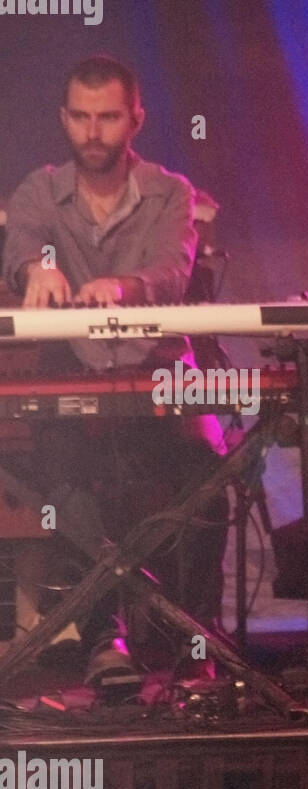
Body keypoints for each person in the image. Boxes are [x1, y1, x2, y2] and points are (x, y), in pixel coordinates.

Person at [1, 55, 227, 687]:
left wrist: (123, 287)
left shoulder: (171, 192)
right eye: (80, 117)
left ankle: (198, 643)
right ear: (63, 119)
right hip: (71, 382)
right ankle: (108, 640)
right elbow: (23, 243)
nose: (92, 132)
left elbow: (169, 271)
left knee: (210, 471)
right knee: (68, 480)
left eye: (107, 118)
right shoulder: (39, 190)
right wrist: (33, 271)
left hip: (160, 375)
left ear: (135, 119)